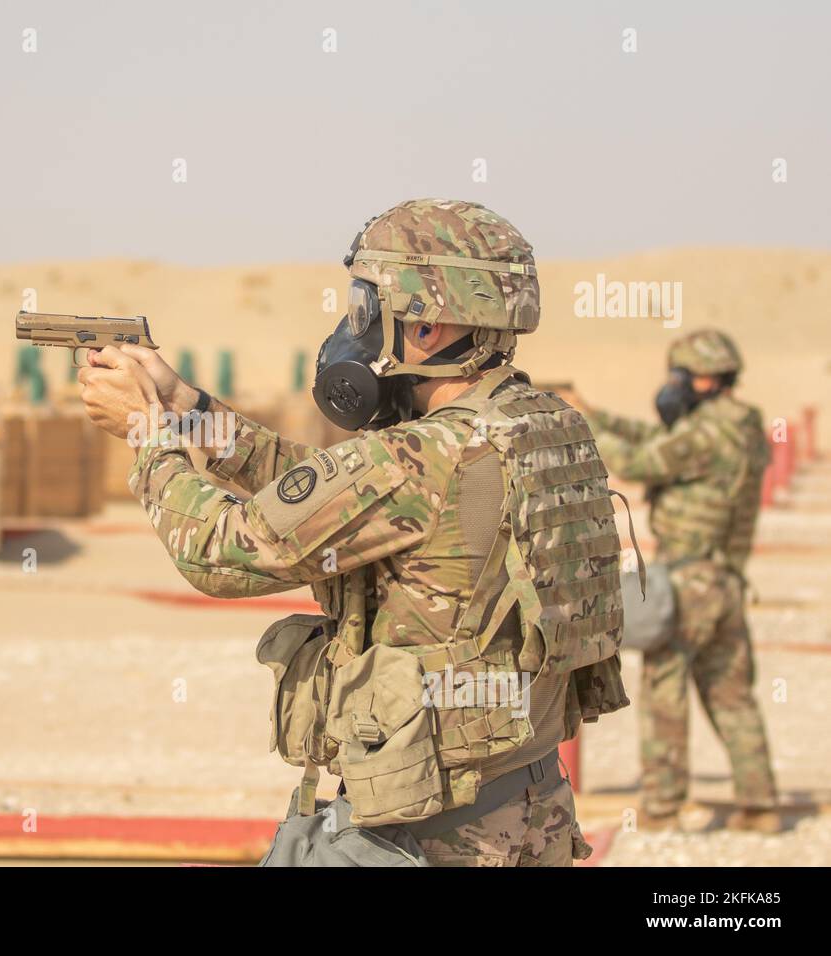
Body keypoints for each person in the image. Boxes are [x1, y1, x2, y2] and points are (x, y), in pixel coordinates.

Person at [79, 199, 629, 866]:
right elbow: (332, 491)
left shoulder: (421, 456)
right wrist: (191, 412)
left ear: (430, 322)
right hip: (526, 802)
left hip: (425, 831)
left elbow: (218, 553)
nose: (354, 327)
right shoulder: (538, 426)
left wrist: (146, 437)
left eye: (369, 307)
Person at [579, 330, 780, 833]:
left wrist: (579, 425)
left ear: (708, 379)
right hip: (726, 581)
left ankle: (663, 807)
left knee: (664, 689)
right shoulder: (742, 428)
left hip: (689, 582)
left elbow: (634, 460)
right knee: (732, 694)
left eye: (683, 377)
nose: (675, 386)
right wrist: (591, 412)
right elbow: (655, 439)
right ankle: (761, 805)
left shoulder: (706, 434)